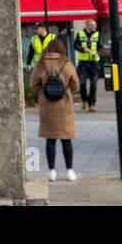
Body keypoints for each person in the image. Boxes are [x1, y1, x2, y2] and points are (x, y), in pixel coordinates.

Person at [30, 38, 80, 182]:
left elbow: (33, 84)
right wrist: (66, 89)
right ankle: (69, 171)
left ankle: (52, 171)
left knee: (50, 139)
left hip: (47, 106)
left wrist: (43, 90)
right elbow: (76, 85)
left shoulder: (41, 63)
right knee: (66, 139)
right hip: (64, 105)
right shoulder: (67, 63)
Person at [74, 18, 101, 111]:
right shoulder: (80, 34)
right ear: (87, 25)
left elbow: (100, 47)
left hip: (94, 63)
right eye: (93, 25)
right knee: (82, 83)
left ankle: (92, 104)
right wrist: (83, 49)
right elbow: (75, 45)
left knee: (94, 84)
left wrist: (98, 53)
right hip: (83, 64)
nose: (95, 26)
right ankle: (84, 101)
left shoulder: (97, 34)